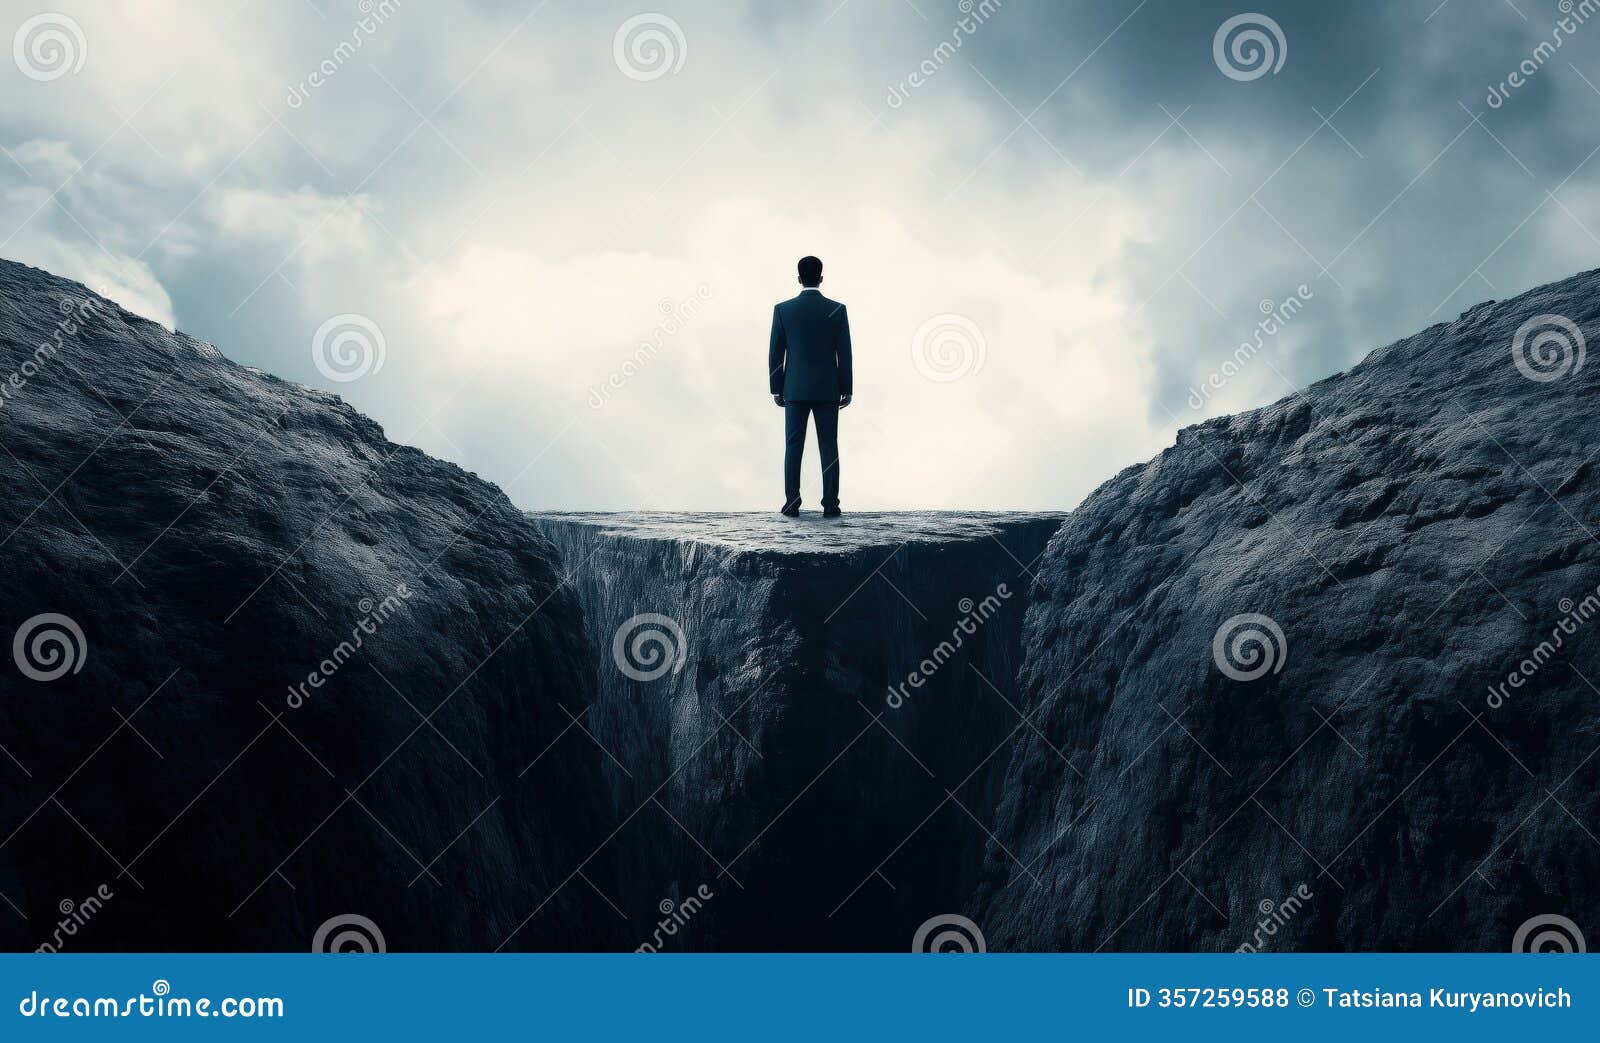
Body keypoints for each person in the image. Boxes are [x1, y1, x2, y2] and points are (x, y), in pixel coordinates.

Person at [768, 255, 852, 517]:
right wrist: (847, 388)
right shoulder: (837, 309)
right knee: (829, 446)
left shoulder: (783, 310)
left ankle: (792, 503)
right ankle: (831, 504)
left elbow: (776, 353)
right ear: (821, 278)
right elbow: (844, 353)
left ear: (798, 278)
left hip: (794, 389)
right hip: (828, 389)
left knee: (793, 447)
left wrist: (776, 387)